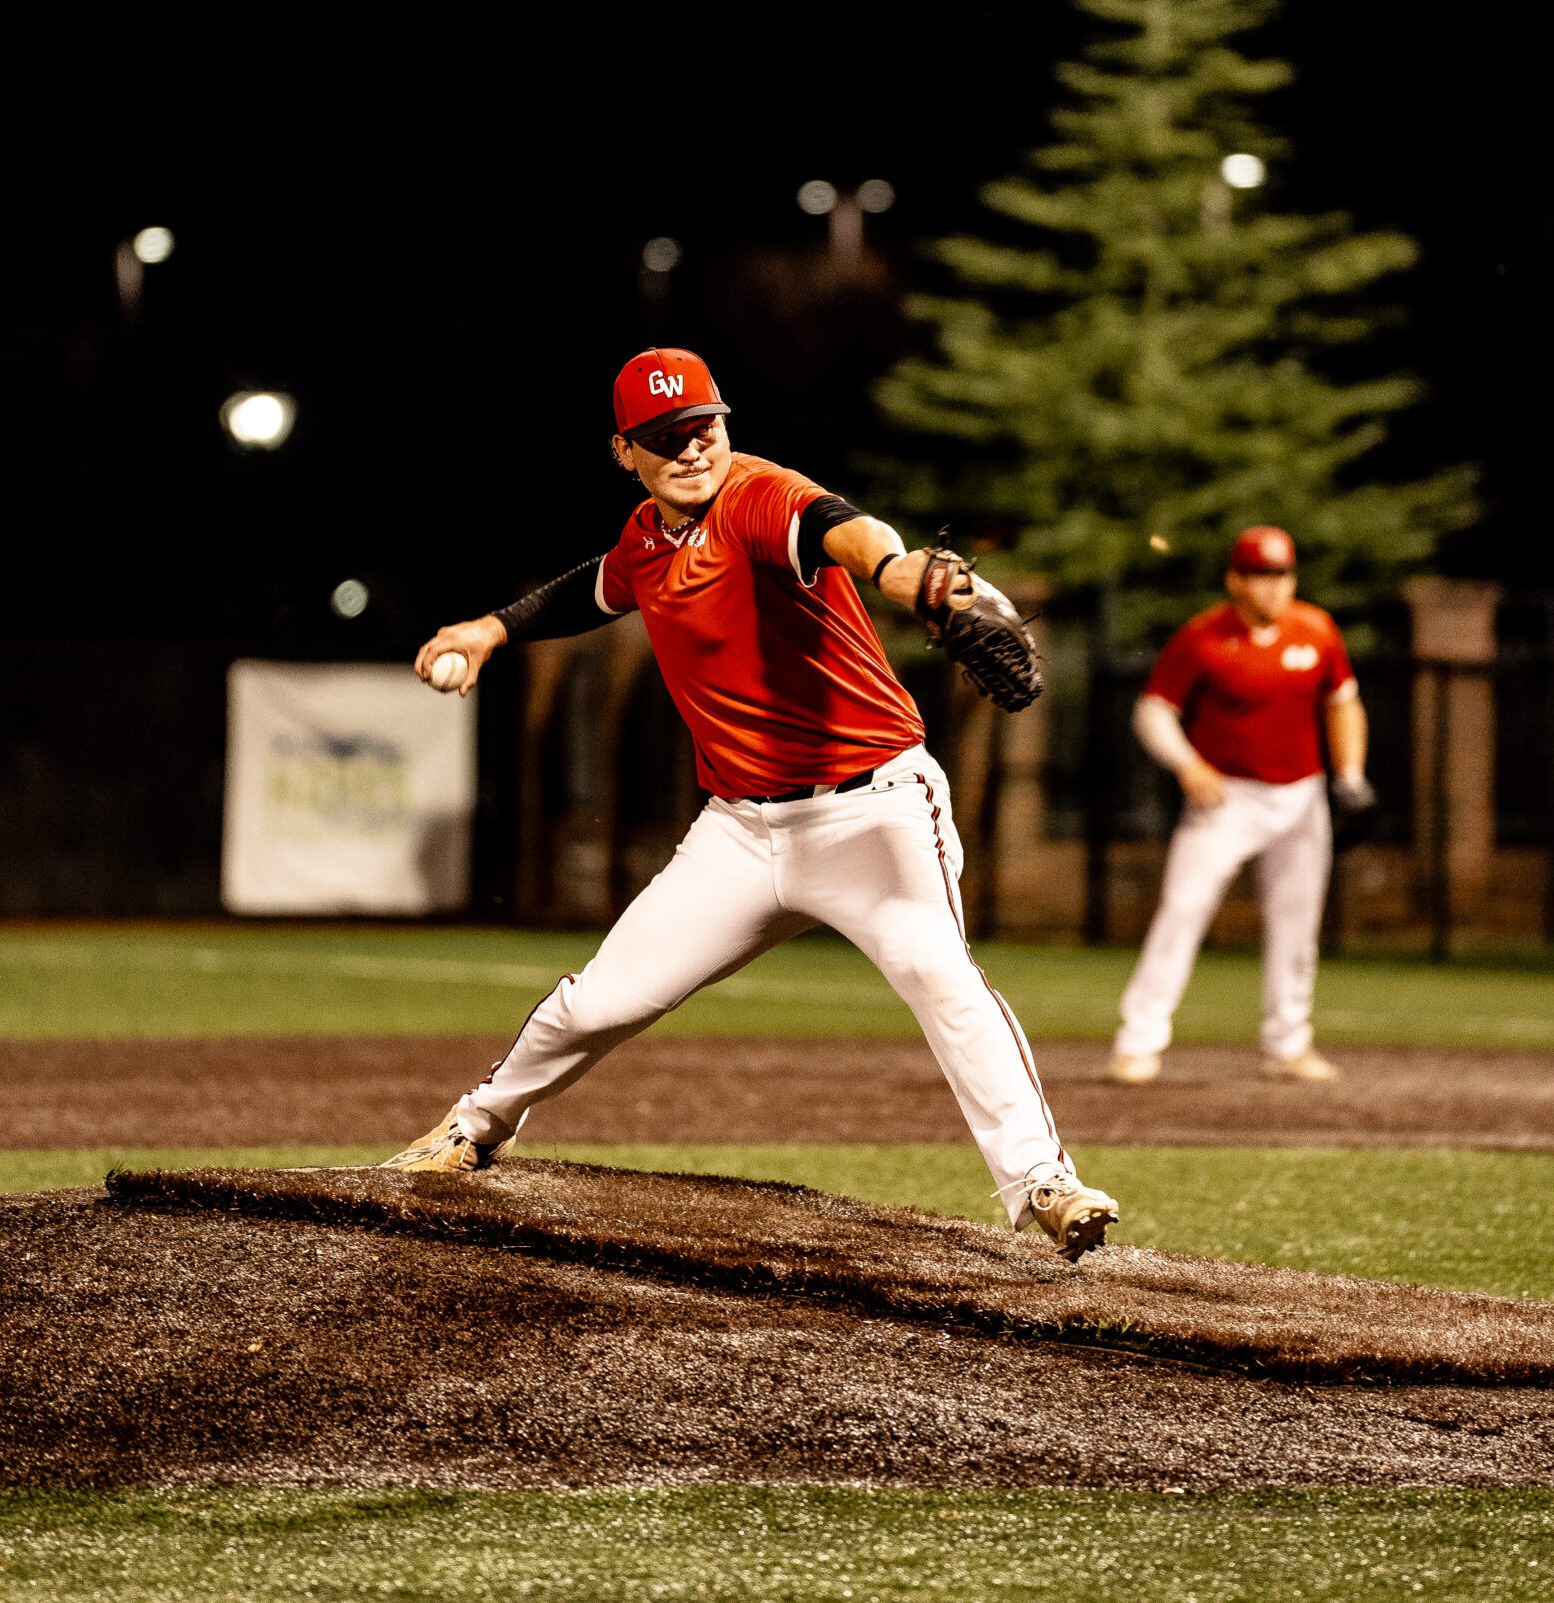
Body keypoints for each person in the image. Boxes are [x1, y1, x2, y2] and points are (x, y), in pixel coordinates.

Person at [383, 347, 1118, 1260]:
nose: (693, 449)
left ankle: (1042, 1181)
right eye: (666, 437)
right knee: (602, 1002)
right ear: (626, 452)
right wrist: (492, 627)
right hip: (738, 831)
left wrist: (904, 577)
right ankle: (473, 1127)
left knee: (939, 973)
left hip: (872, 807)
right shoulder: (646, 540)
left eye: (705, 426)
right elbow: (596, 587)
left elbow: (847, 532)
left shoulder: (762, 497)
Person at [1109, 525, 1375, 1085]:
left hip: (1300, 795)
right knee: (1183, 909)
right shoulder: (1203, 636)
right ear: (1235, 579)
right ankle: (1138, 1042)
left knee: (1297, 924)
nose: (1273, 586)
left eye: (1281, 574)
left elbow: (1343, 703)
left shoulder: (1317, 628)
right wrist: (1187, 763)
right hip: (1227, 798)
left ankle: (1288, 1044)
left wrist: (1349, 774)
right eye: (1260, 574)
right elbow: (1152, 712)